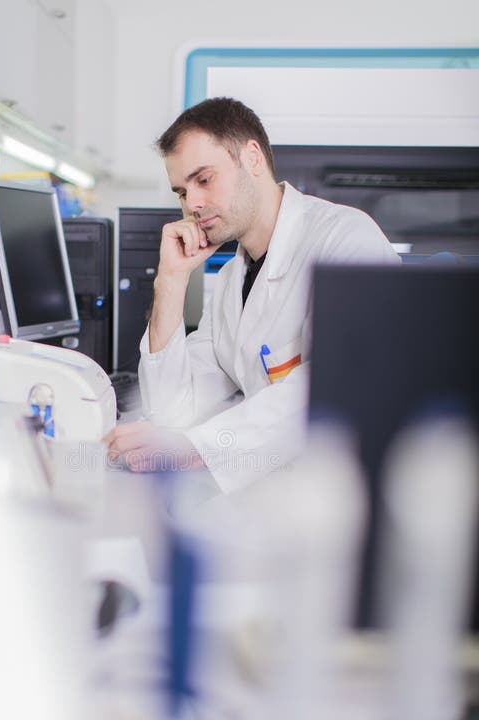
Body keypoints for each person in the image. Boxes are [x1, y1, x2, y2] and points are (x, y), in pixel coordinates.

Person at [105, 97, 399, 493]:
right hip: (277, 491)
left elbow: (340, 387)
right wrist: (171, 282)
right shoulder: (231, 278)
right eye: (181, 191)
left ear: (253, 158)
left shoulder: (345, 238)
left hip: (344, 497)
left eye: (204, 179)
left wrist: (192, 448)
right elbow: (172, 409)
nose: (192, 204)